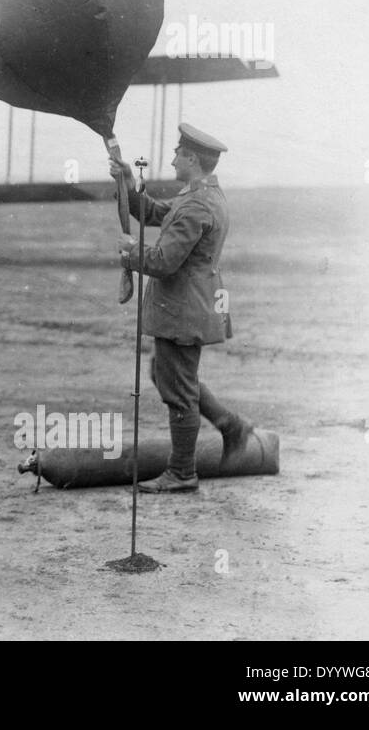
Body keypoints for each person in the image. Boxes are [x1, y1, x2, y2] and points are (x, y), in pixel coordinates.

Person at [112, 122, 255, 494]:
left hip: (183, 308)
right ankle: (231, 426)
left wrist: (130, 253)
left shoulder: (197, 204)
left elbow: (163, 262)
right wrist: (129, 182)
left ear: (192, 158)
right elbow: (152, 213)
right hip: (189, 304)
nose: (172, 158)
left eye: (178, 153)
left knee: (177, 388)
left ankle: (182, 471)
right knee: (166, 373)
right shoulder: (199, 196)